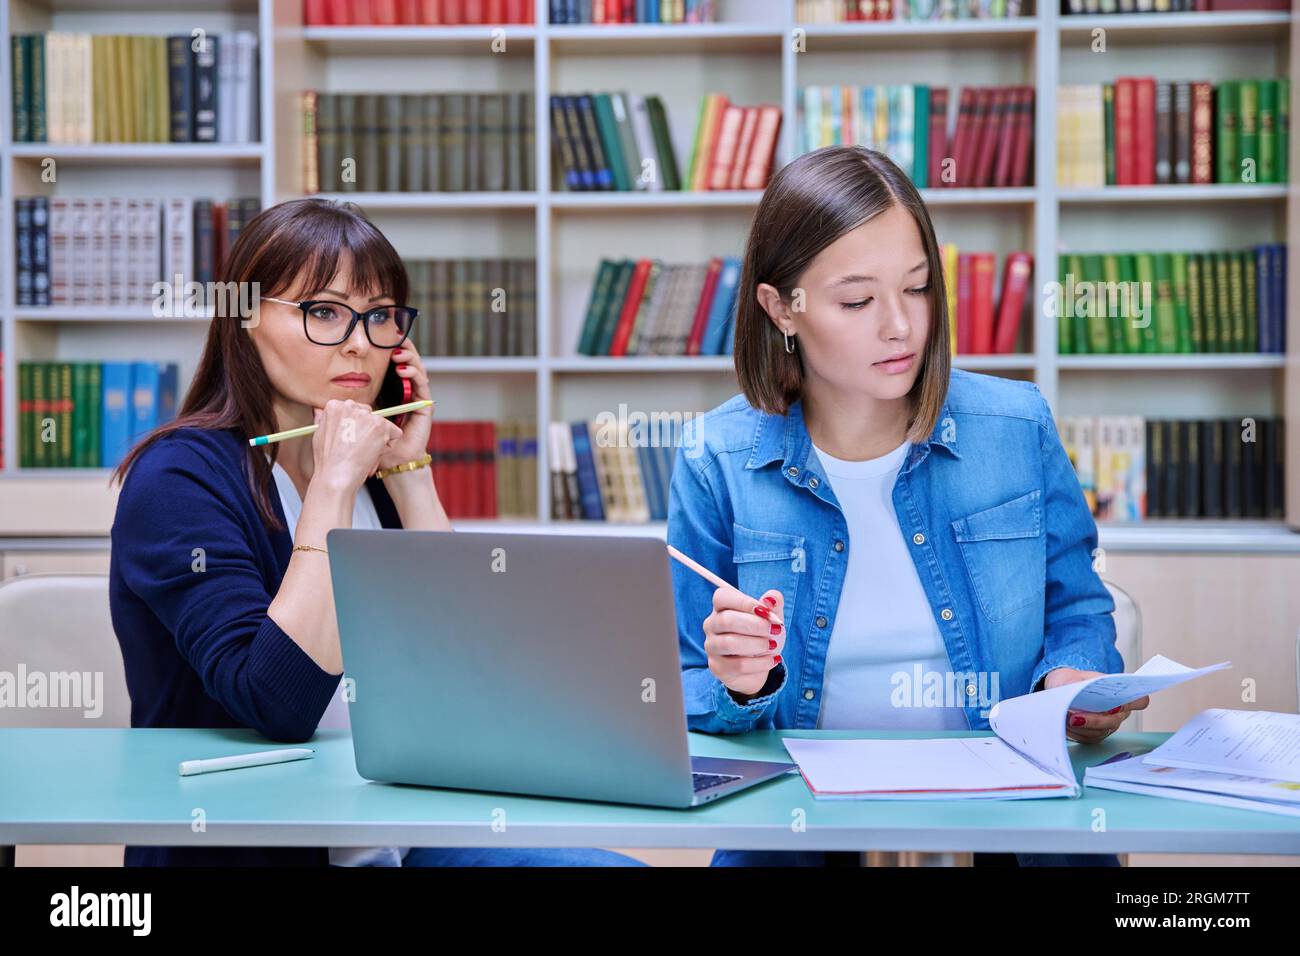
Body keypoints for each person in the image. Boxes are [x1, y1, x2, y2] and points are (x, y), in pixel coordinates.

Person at [110, 198, 641, 867]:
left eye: (381, 316)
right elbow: (274, 702)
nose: (361, 342)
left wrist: (410, 474)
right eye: (325, 312)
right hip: (259, 848)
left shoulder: (374, 472)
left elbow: (474, 674)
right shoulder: (178, 480)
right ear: (244, 318)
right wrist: (331, 486)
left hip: (402, 834)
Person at [666, 146, 1148, 867]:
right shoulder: (717, 458)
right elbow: (679, 680)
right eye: (857, 300)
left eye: (917, 288)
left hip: (1013, 821)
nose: (900, 326)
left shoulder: (1017, 428)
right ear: (780, 309)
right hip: (796, 827)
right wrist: (742, 686)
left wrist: (1071, 678)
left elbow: (1077, 610)